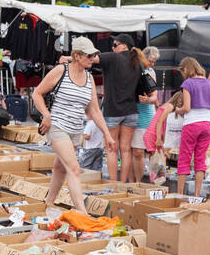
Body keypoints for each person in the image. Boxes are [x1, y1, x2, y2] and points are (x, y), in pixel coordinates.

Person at [33, 36, 113, 207]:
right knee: (74, 168)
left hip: (75, 129)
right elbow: (36, 93)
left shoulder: (89, 78)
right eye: (89, 56)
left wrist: (107, 134)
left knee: (61, 168)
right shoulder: (61, 71)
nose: (93, 59)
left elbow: (95, 110)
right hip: (56, 125)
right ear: (77, 56)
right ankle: (82, 212)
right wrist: (46, 115)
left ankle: (49, 203)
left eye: (93, 56)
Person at [96, 33, 149, 183]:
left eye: (115, 45)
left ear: (124, 45)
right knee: (126, 150)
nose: (112, 48)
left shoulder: (113, 58)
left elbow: (91, 59)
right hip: (131, 111)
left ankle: (113, 185)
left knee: (112, 149)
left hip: (113, 110)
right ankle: (122, 183)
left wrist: (69, 58)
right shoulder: (136, 62)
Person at [175, 57, 210, 197]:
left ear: (186, 69)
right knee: (200, 159)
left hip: (192, 124)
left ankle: (180, 194)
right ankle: (197, 195)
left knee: (184, 158)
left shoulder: (188, 83)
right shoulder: (209, 83)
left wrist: (177, 110)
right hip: (207, 124)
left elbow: (187, 107)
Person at [131, 45, 160, 182]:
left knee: (145, 150)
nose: (152, 64)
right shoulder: (133, 69)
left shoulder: (150, 73)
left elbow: (155, 97)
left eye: (154, 62)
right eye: (151, 61)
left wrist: (148, 100)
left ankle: (148, 181)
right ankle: (136, 182)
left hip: (146, 114)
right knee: (135, 151)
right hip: (131, 113)